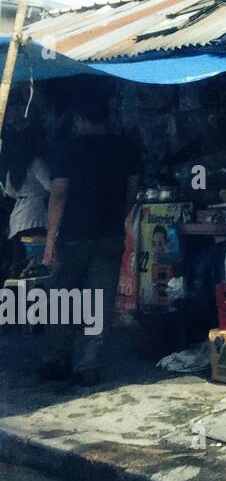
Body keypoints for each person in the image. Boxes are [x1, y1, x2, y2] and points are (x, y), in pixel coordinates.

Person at [39, 87, 140, 386]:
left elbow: (58, 195)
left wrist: (49, 240)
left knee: (61, 297)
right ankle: (88, 365)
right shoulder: (126, 148)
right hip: (109, 235)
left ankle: (56, 358)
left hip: (72, 235)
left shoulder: (68, 148)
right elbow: (132, 191)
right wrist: (117, 216)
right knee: (99, 300)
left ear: (80, 118)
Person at [0, 118, 52, 274]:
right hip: (35, 217)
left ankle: (13, 294)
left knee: (19, 261)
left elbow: (10, 192)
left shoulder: (16, 165)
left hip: (18, 218)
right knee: (33, 263)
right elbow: (51, 186)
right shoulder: (36, 163)